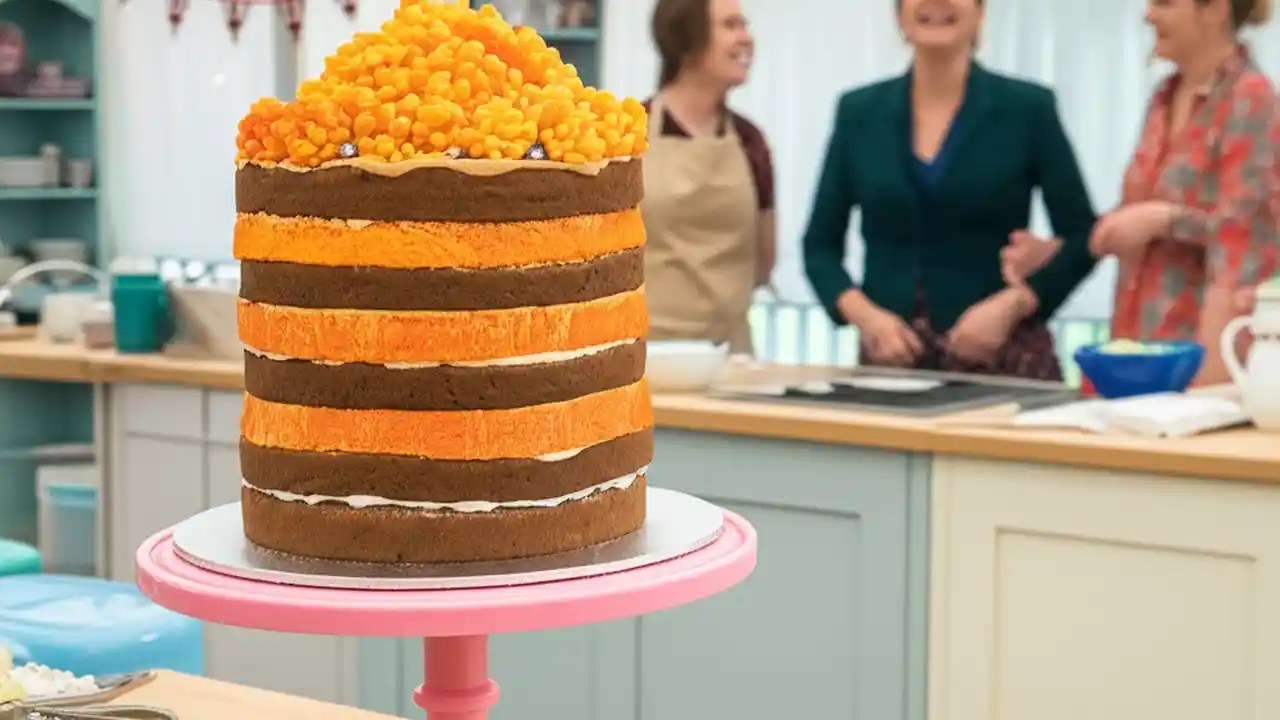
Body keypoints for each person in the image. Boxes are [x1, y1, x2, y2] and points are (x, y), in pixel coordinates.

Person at [802, 0, 1098, 381]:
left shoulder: (1027, 109)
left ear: (980, 12)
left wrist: (1014, 303)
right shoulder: (858, 113)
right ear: (899, 15)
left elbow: (1084, 236)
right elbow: (819, 247)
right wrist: (867, 317)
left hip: (1003, 358)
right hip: (891, 365)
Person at [1087, 0, 1278, 385]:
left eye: (1165, 3)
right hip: (1139, 350)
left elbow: (1244, 246)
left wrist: (1166, 220)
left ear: (1215, 9)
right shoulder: (1164, 96)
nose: (1148, 15)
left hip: (1199, 363)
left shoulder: (1250, 98)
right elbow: (1145, 213)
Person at [641, 0, 776, 355]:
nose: (746, 38)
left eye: (744, 25)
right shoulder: (629, 132)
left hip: (730, 357)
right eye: (731, 25)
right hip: (644, 356)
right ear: (686, 39)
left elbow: (764, 263)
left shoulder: (750, 141)